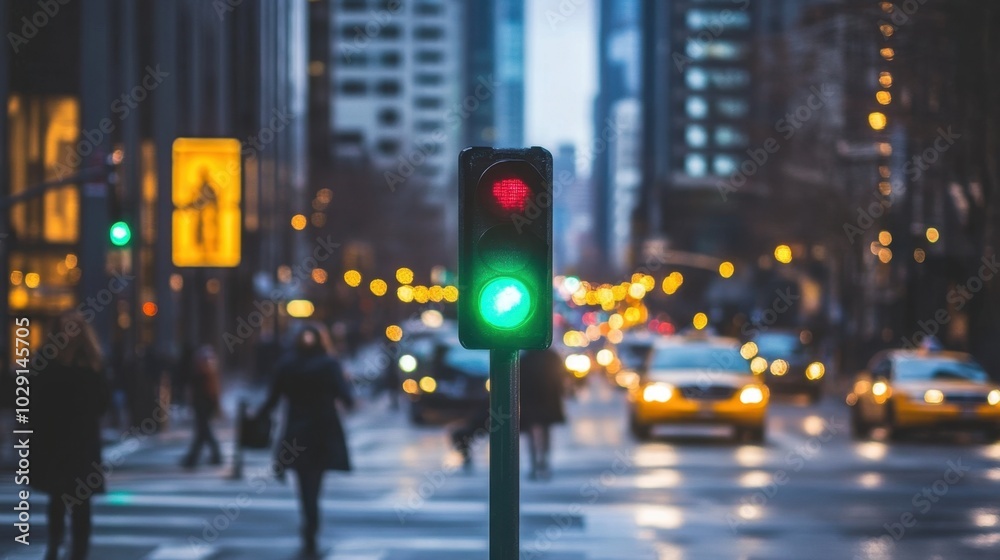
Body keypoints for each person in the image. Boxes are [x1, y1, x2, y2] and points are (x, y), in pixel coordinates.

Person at [255, 324, 355, 557]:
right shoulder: (329, 365)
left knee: (304, 484)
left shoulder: (287, 365)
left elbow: (272, 399)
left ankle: (309, 525)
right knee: (314, 483)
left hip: (296, 432)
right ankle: (311, 526)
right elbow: (346, 396)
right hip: (322, 431)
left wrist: (256, 418)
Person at [32, 311, 110, 560]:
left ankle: (79, 552)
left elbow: (102, 402)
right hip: (55, 440)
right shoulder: (46, 359)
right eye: (66, 327)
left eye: (75, 327)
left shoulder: (92, 360)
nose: (70, 332)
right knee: (57, 499)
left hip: (83, 442)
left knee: (81, 504)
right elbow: (34, 402)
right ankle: (54, 547)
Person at [519, 348, 566, 480]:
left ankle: (538, 463)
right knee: (543, 431)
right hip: (546, 399)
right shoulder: (551, 356)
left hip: (534, 399)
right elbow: (560, 378)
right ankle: (542, 462)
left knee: (534, 432)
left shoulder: (526, 358)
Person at [181, 345, 223, 468]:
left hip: (204, 405)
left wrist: (214, 406)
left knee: (203, 432)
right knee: (202, 432)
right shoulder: (202, 375)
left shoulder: (205, 376)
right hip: (201, 405)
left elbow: (211, 392)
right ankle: (198, 458)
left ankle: (194, 459)